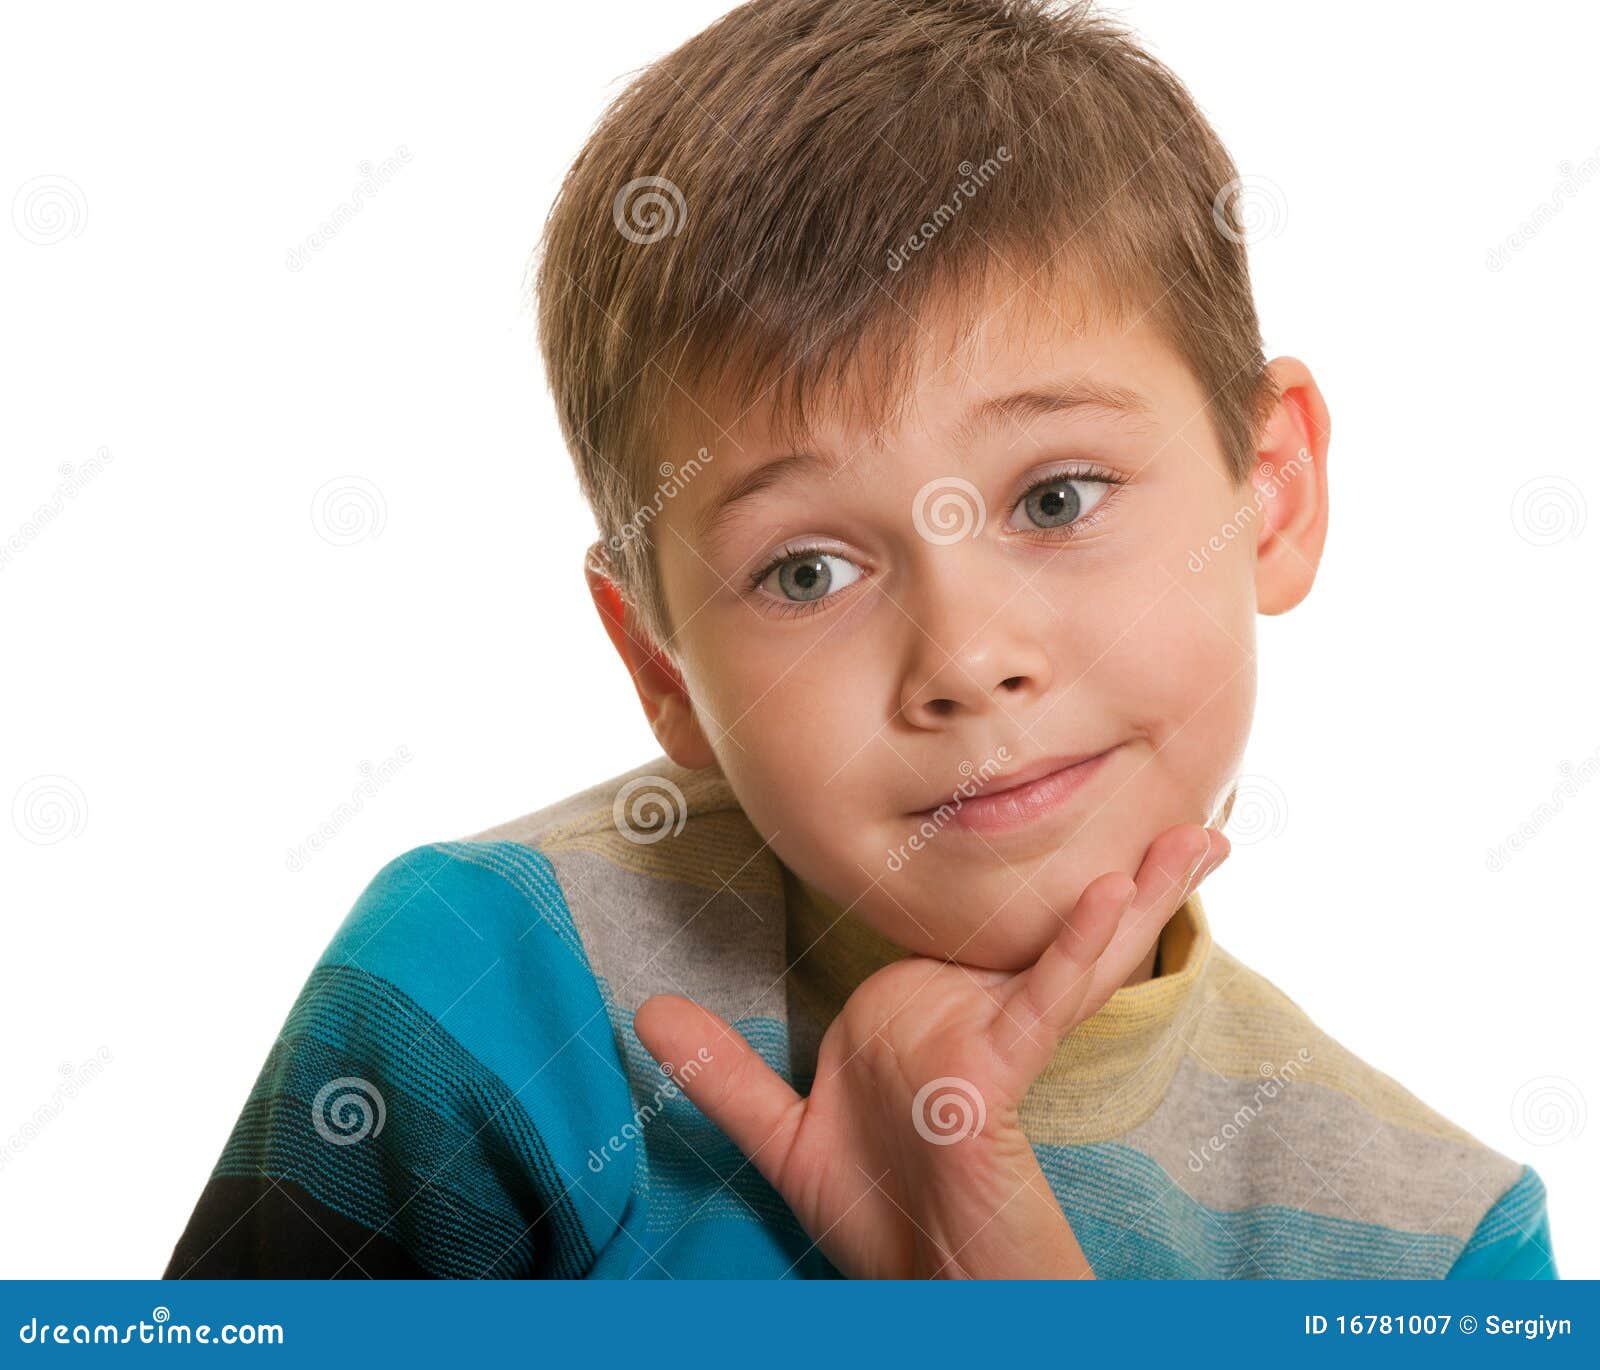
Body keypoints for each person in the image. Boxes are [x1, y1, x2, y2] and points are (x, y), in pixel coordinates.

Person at [164, 0, 1557, 1279]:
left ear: (1274, 494)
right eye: (807, 569)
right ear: (661, 667)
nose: (963, 656)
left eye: (1057, 496)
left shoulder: (1440, 1249)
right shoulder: (489, 991)